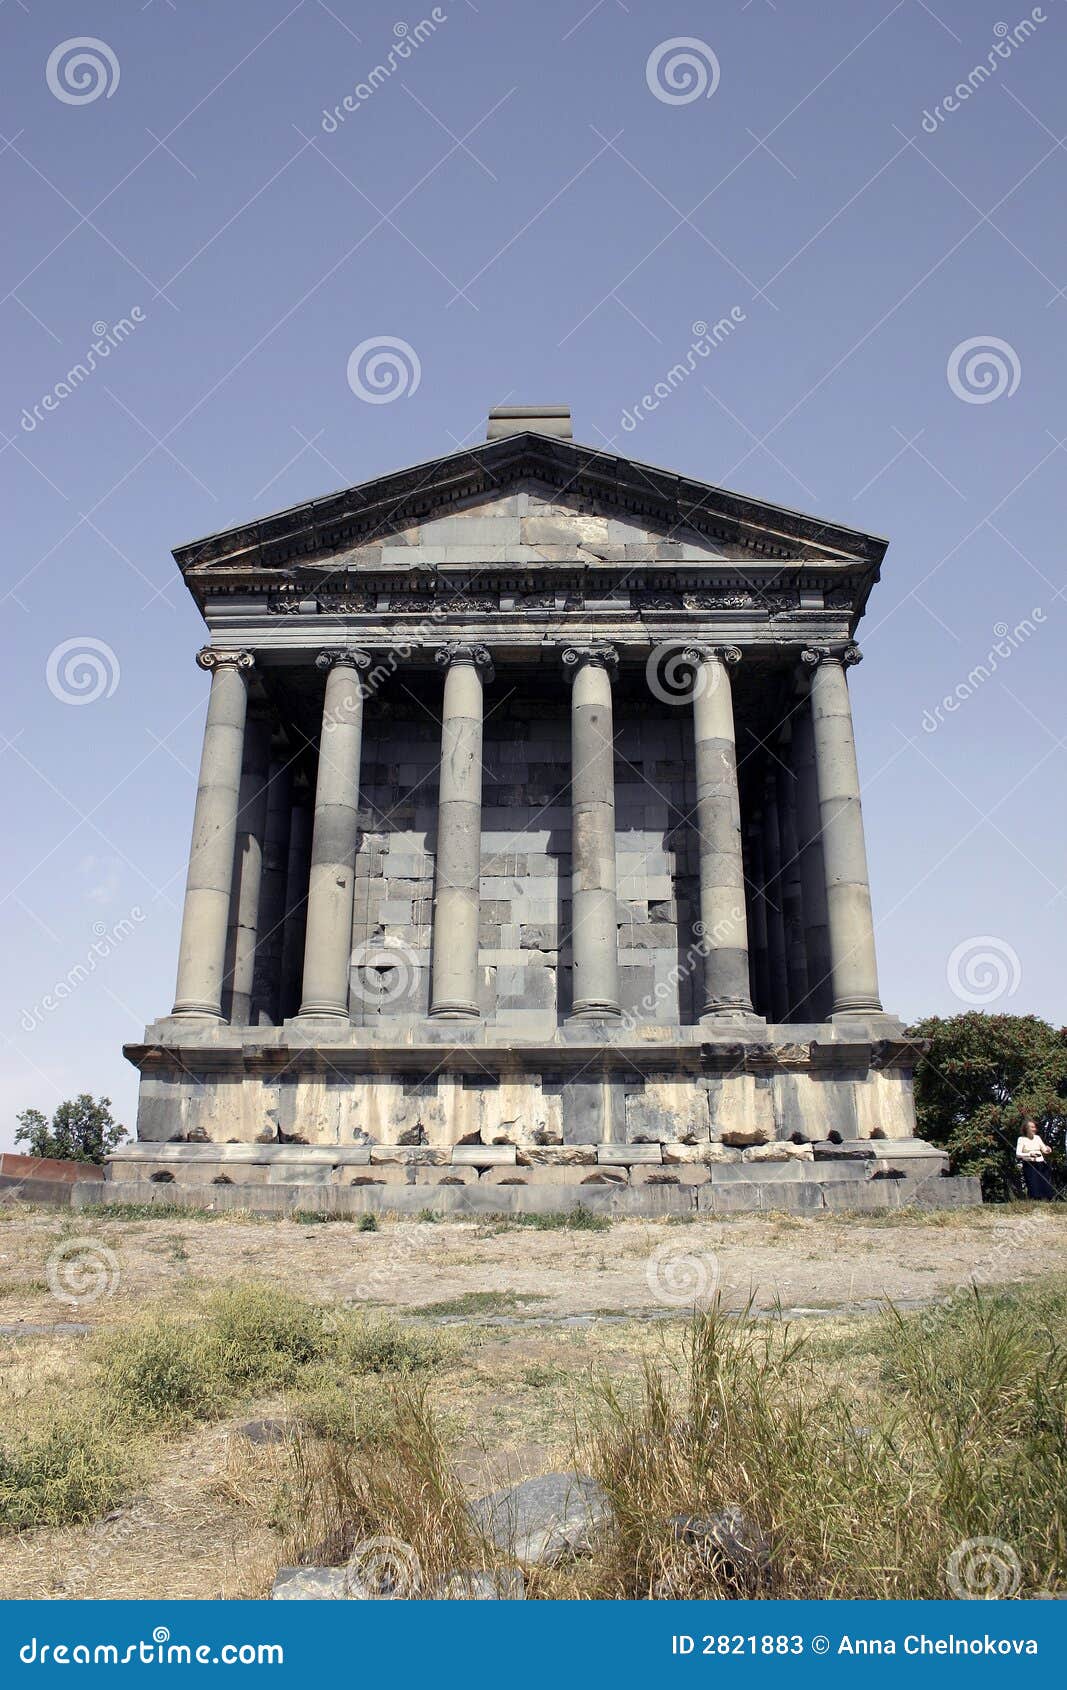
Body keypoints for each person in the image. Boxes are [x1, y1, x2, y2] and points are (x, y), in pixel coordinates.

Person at [1015, 1118, 1054, 1200]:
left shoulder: (1037, 1138)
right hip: (1029, 1165)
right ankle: (1035, 1202)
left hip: (1041, 1163)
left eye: (1034, 1127)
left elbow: (1044, 1150)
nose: (1034, 1129)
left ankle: (1048, 1202)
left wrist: (1048, 1149)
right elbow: (1018, 1154)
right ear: (1026, 1128)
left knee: (1045, 1183)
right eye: (1031, 1127)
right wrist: (1029, 1154)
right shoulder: (1021, 1139)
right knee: (1034, 1185)